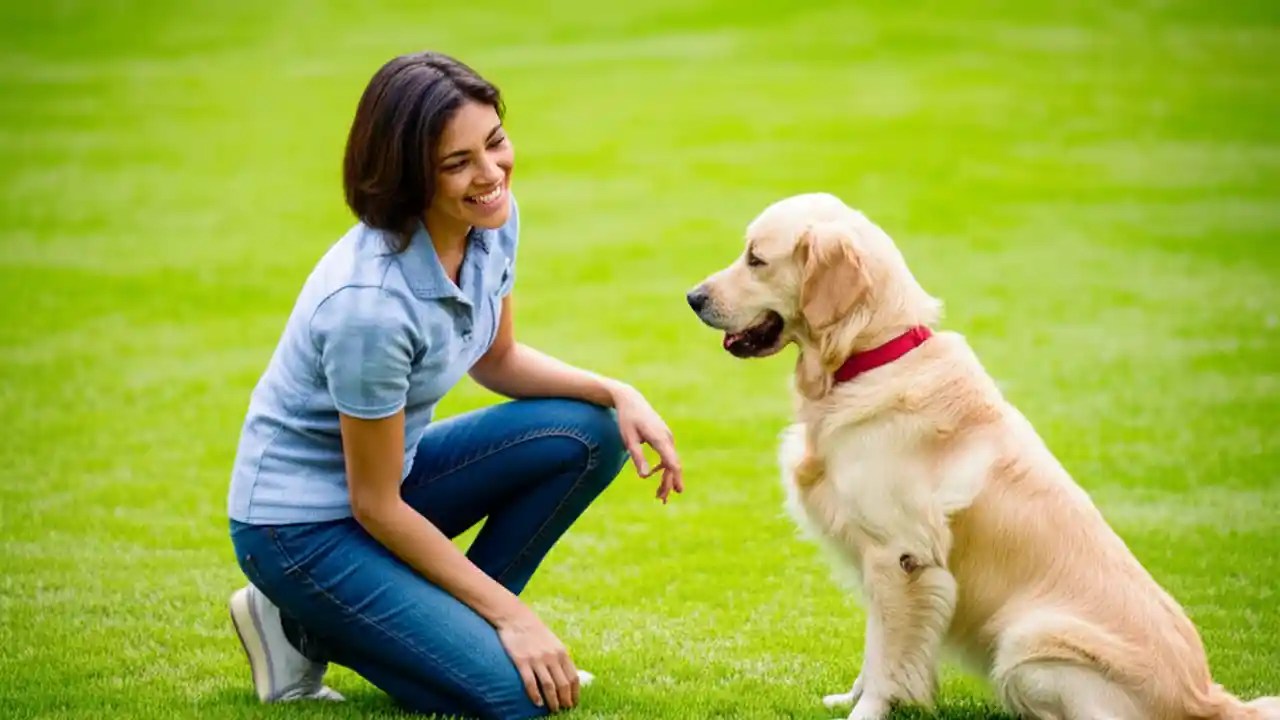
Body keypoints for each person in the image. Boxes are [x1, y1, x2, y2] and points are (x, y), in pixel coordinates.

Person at [225, 50, 683, 719]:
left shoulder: (489, 221)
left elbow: (497, 360)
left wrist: (617, 391)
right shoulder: (369, 308)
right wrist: (515, 618)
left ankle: (362, 627)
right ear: (409, 177)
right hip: (299, 530)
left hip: (383, 488)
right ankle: (302, 614)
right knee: (517, 701)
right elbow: (374, 505)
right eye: (457, 163)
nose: (491, 173)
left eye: (495, 143)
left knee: (589, 432)